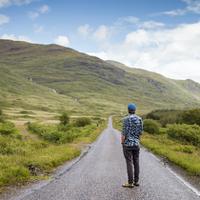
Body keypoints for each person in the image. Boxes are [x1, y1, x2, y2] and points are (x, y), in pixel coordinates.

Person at [121, 103, 143, 188]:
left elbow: (124, 133)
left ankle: (130, 183)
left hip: (128, 144)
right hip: (136, 144)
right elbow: (141, 132)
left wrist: (122, 143)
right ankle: (136, 181)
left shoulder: (126, 119)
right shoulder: (140, 119)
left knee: (129, 162)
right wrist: (137, 141)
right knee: (136, 162)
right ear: (135, 110)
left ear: (128, 110)